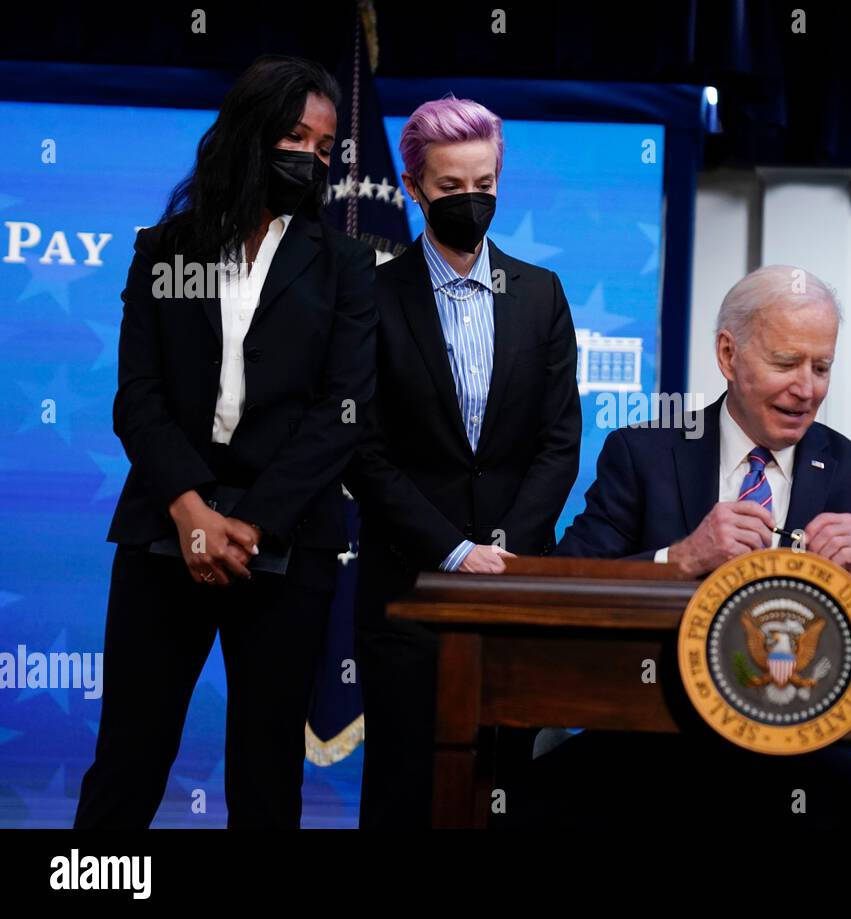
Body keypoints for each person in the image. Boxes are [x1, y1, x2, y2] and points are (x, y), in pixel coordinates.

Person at [540, 265, 851, 829]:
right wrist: (679, 559)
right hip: (659, 734)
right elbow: (563, 584)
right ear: (728, 355)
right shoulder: (643, 455)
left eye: (822, 367)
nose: (807, 387)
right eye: (786, 363)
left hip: (809, 751)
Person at [74, 57, 378, 829]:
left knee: (266, 775)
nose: (309, 157)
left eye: (324, 144)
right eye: (293, 136)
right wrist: (191, 510)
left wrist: (252, 523)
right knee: (127, 763)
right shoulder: (165, 247)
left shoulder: (343, 264)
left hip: (288, 540)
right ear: (248, 135)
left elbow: (345, 409)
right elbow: (136, 398)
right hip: (164, 528)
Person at [343, 98, 581, 829]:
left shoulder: (541, 295)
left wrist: (503, 549)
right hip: (407, 589)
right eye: (451, 187)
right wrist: (452, 550)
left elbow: (559, 441)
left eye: (484, 184)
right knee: (404, 792)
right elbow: (362, 447)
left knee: (505, 792)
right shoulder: (370, 298)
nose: (470, 200)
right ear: (413, 189)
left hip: (513, 596)